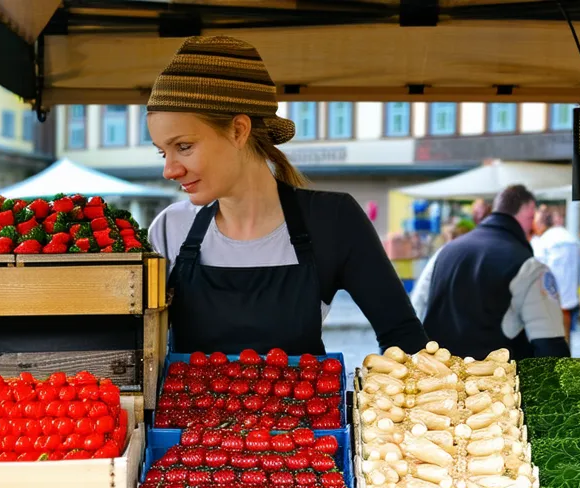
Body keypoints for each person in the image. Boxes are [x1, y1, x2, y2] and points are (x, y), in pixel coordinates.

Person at [145, 35, 428, 355]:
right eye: (163, 152)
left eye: (183, 147)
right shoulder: (170, 228)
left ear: (238, 130)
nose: (169, 170)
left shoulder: (333, 220)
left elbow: (405, 340)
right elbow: (139, 347)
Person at [414, 185, 570, 360]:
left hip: (438, 371)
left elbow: (416, 311)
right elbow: (550, 343)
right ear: (529, 211)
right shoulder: (528, 266)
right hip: (496, 374)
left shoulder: (444, 253)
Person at [532, 204, 580, 340]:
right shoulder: (569, 237)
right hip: (569, 295)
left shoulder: (545, 240)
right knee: (566, 331)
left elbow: (537, 265)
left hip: (549, 295)